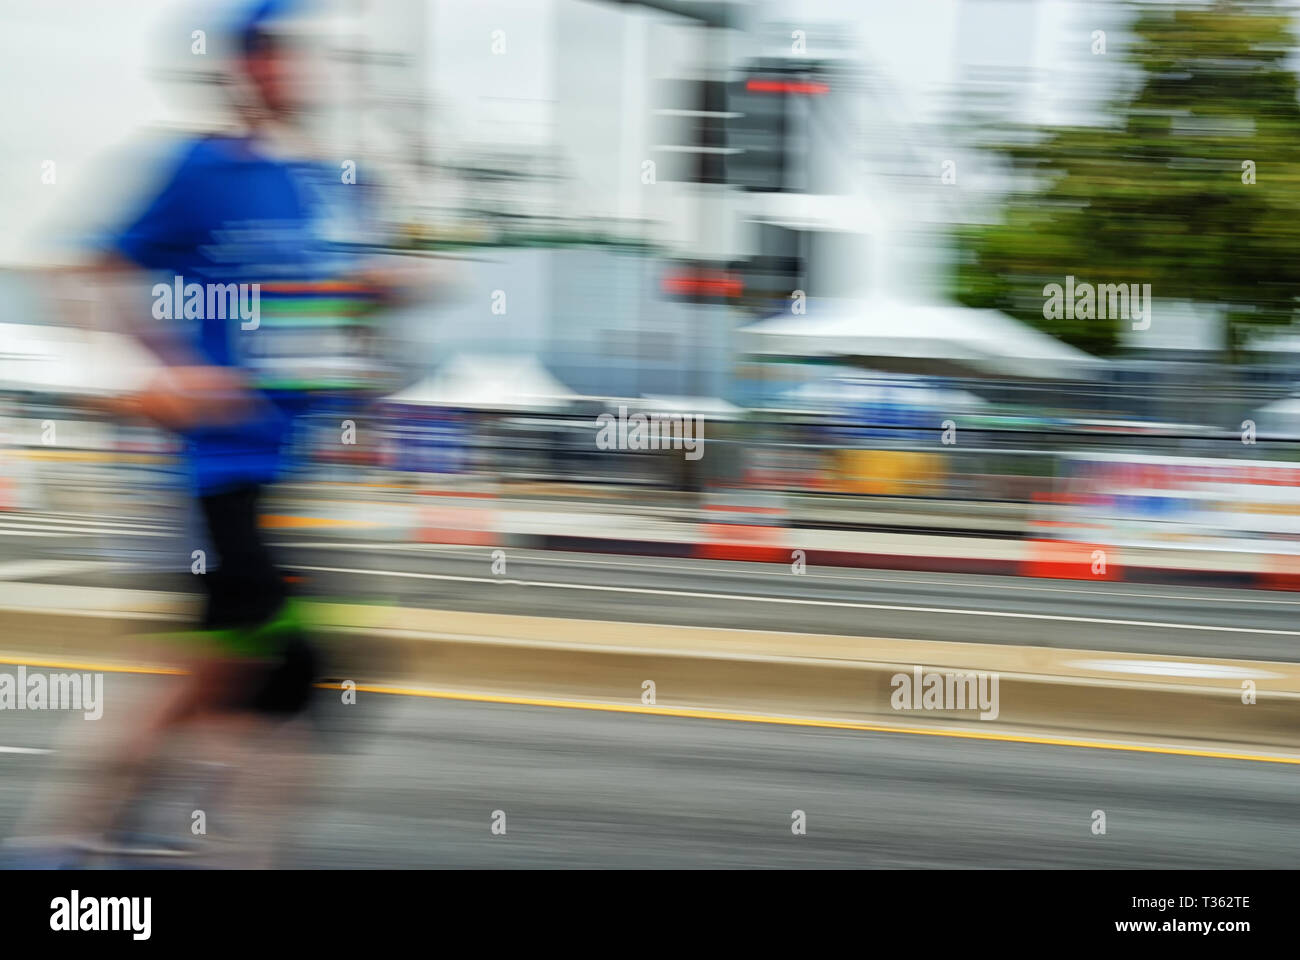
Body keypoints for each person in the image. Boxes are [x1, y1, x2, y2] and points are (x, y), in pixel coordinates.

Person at [11, 0, 422, 866]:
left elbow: (315, 316)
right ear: (239, 67)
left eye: (299, 52)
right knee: (304, 670)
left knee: (215, 676)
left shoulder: (318, 188)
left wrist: (376, 299)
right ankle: (198, 849)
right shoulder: (199, 170)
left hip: (280, 476)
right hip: (216, 476)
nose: (294, 68)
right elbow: (82, 265)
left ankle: (78, 845)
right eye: (274, 52)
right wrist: (154, 372)